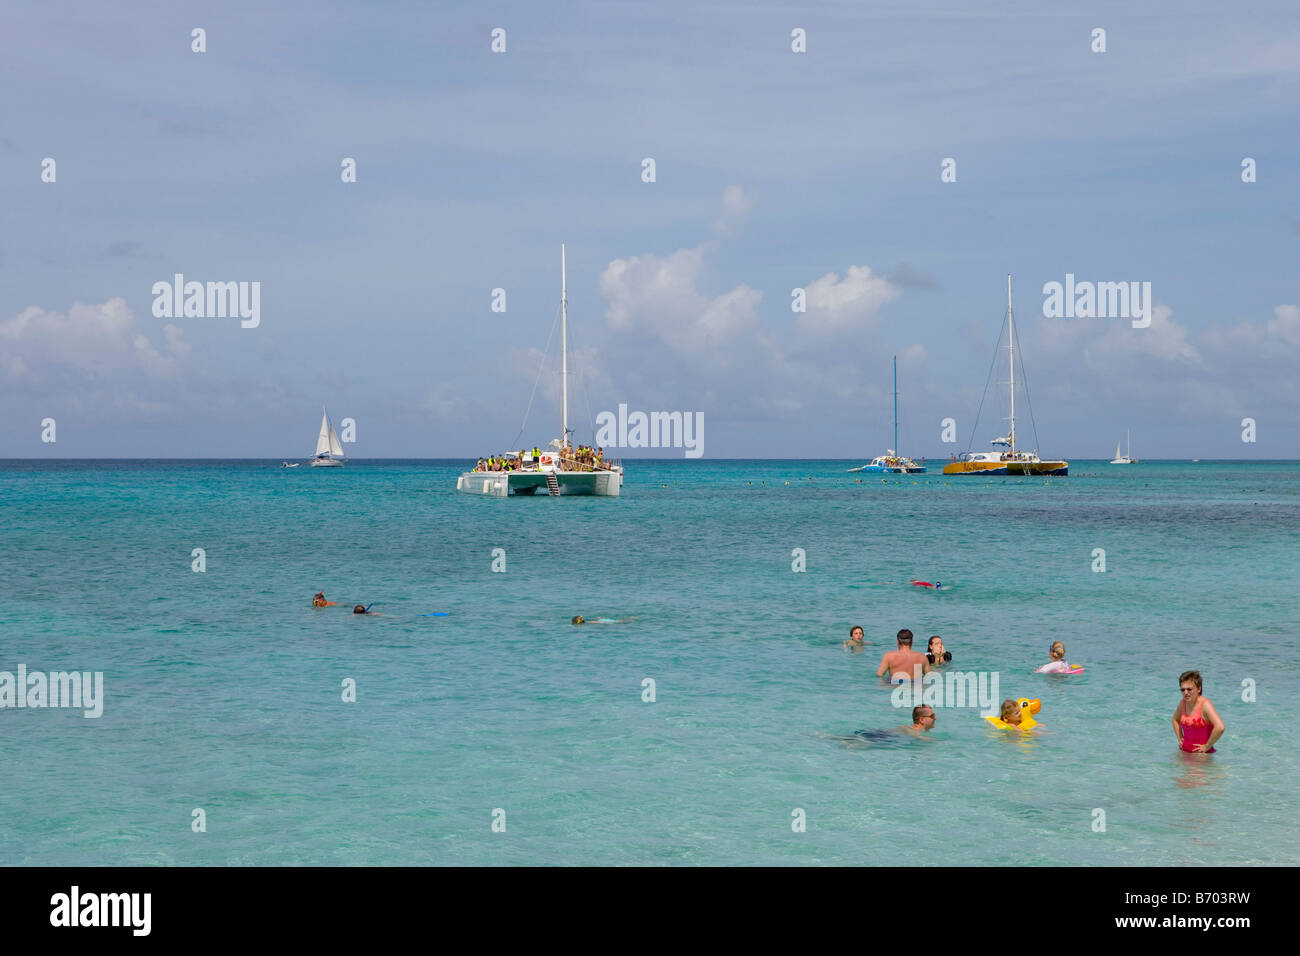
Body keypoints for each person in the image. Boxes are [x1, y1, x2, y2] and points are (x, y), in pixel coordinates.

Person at [1173, 670, 1225, 754]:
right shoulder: (1183, 703)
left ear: (1199, 688)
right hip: (1183, 752)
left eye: (1189, 689)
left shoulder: (1205, 705)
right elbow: (1175, 719)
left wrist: (1207, 746)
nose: (1186, 693)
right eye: (1183, 690)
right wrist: (1180, 738)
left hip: (1201, 757)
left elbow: (1220, 727)